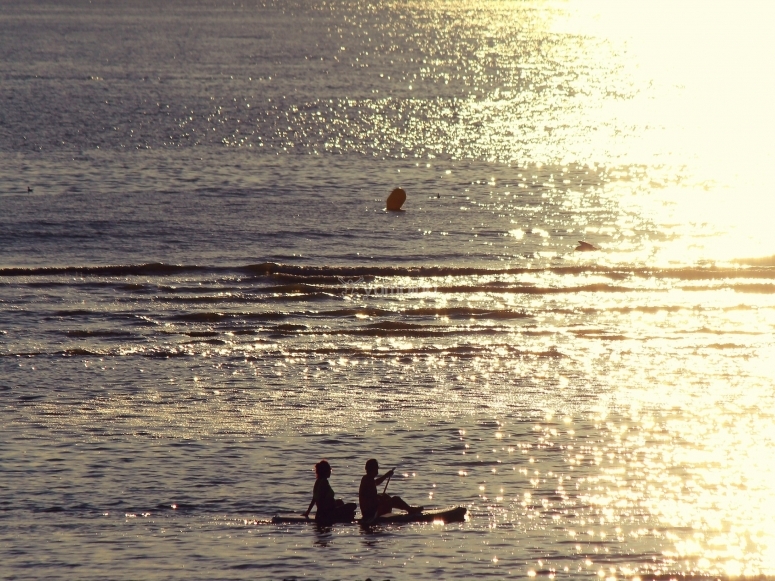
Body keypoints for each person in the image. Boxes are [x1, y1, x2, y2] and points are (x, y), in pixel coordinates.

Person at [358, 459, 423, 521]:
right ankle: (410, 510)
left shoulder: (367, 479)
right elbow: (371, 499)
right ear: (373, 469)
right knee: (395, 499)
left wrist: (386, 475)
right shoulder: (367, 480)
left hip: (370, 511)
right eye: (377, 468)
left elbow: (376, 483)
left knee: (385, 496)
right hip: (371, 513)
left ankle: (408, 509)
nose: (378, 469)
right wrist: (380, 499)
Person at [301, 460, 356, 524]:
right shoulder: (324, 482)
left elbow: (314, 498)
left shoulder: (318, 481)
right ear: (325, 472)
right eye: (329, 470)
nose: (330, 472)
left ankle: (345, 515)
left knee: (339, 501)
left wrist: (308, 512)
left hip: (325, 511)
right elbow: (322, 501)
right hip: (328, 513)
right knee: (353, 505)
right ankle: (343, 517)